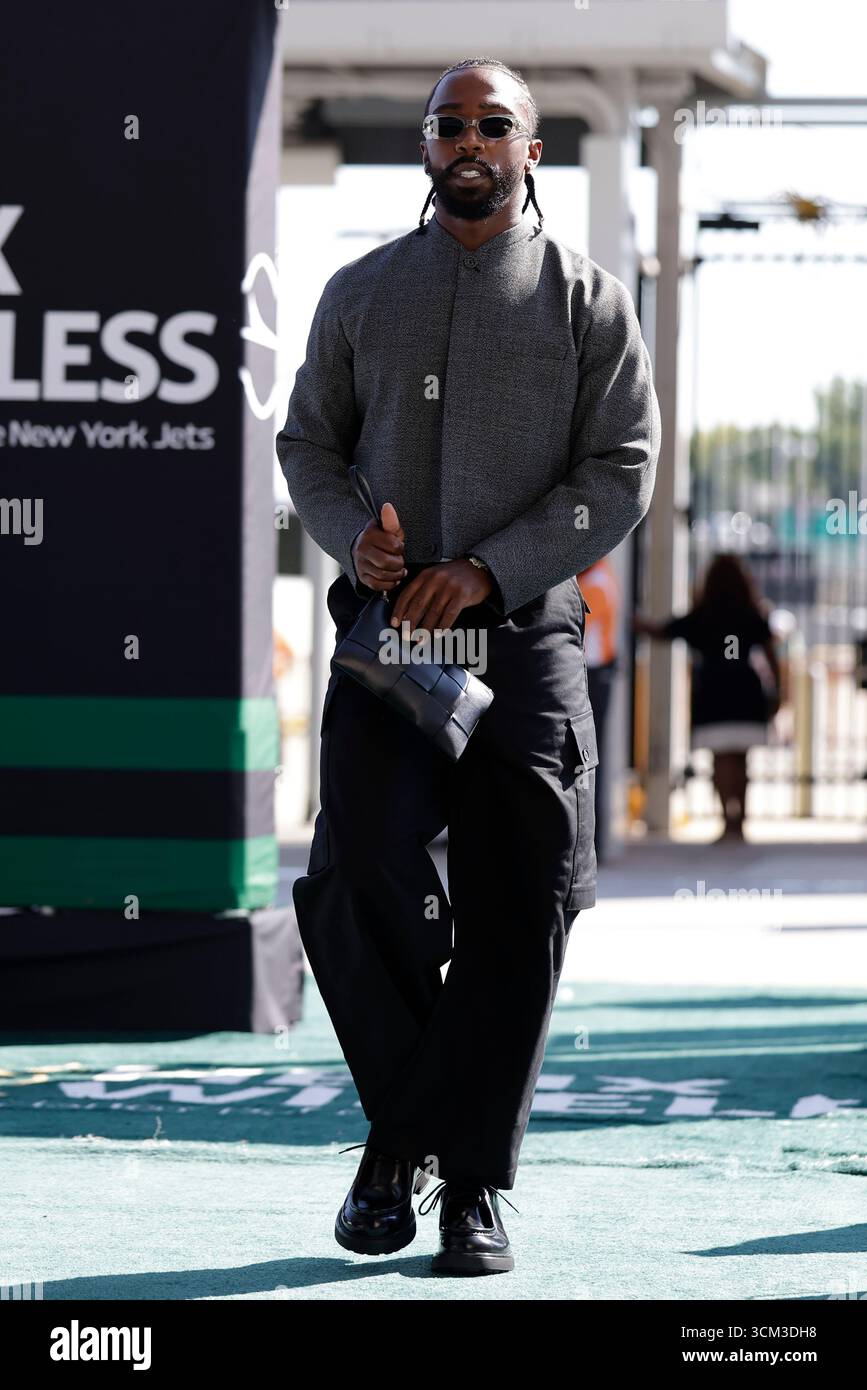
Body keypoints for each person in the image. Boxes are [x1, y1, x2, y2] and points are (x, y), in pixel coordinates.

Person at [276, 57, 660, 1277]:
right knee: (354, 878)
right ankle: (411, 1136)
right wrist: (360, 540)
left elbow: (622, 468)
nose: (472, 140)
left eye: (497, 123)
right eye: (452, 125)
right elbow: (308, 446)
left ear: (532, 151)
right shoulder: (358, 293)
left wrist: (490, 568)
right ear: (428, 150)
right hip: (393, 639)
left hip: (526, 633)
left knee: (526, 895)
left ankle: (457, 1182)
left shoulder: (588, 302)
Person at [634, 552, 781, 842]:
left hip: (714, 693)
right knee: (741, 761)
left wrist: (632, 619)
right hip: (746, 693)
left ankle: (727, 820)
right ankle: (740, 822)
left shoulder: (705, 613)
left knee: (721, 761)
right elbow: (771, 654)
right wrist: (777, 693)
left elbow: (664, 631)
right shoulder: (751, 612)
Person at [575, 558, 620, 859]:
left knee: (587, 762)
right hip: (593, 674)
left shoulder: (594, 583)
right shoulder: (600, 576)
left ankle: (592, 843)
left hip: (591, 676)